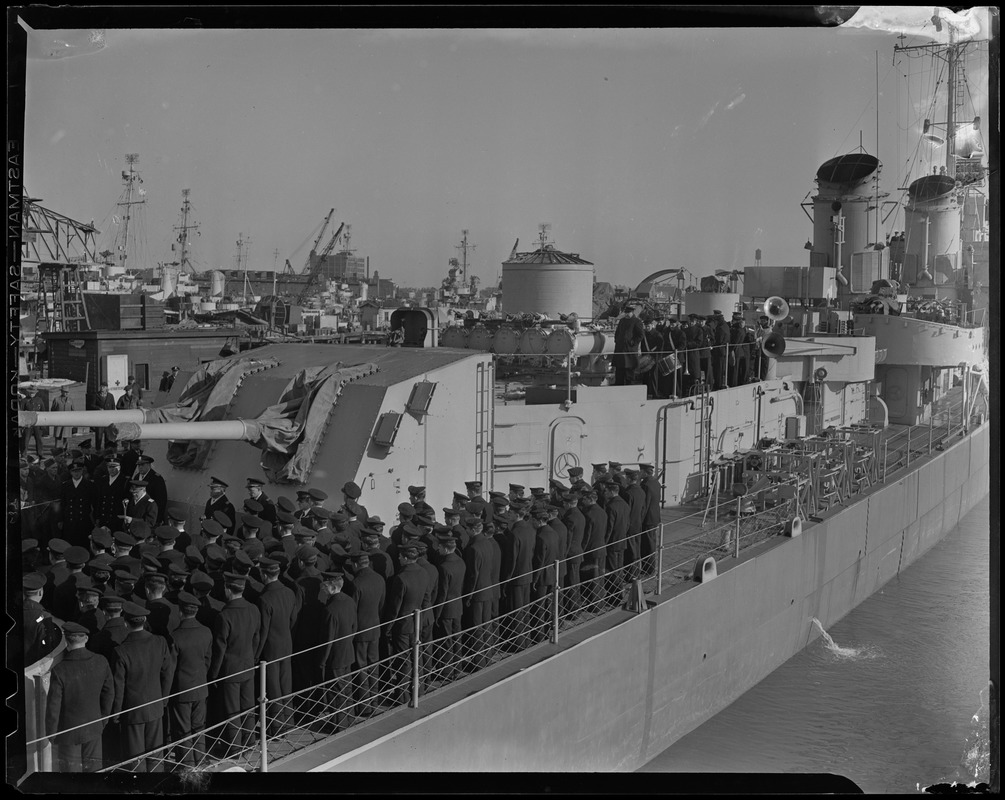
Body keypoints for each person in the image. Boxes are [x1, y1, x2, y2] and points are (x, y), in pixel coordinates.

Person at [110, 602, 175, 772]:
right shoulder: (160, 642)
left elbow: (119, 687)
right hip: (155, 706)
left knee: (135, 758)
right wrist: (163, 700)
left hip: (132, 711)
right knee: (156, 756)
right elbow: (167, 674)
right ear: (144, 620)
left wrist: (117, 713)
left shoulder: (121, 651)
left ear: (126, 624)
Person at [45, 620, 115, 772]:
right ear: (86, 639)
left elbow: (53, 706)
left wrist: (51, 734)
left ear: (66, 641)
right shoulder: (101, 661)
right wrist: (103, 719)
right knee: (94, 772)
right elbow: (109, 693)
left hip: (68, 734)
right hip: (94, 728)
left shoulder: (59, 670)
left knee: (72, 777)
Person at [208, 572, 261, 750]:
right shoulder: (253, 609)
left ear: (227, 589)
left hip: (230, 670)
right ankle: (249, 741)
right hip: (248, 665)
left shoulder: (224, 616)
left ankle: (235, 747)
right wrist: (253, 658)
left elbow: (220, 649)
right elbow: (256, 637)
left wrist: (214, 674)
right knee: (248, 706)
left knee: (232, 711)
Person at [168, 592, 212, 766]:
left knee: (183, 730)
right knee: (199, 726)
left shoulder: (175, 636)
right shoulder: (206, 632)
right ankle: (200, 760)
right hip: (201, 686)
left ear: (180, 612)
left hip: (182, 690)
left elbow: (171, 668)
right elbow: (207, 660)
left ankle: (187, 764)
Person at [613, 303, 646, 386]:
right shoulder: (622, 321)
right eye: (626, 313)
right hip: (620, 350)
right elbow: (617, 332)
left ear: (632, 312)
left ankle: (629, 388)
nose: (627, 314)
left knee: (629, 374)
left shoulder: (637, 322)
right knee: (619, 373)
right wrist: (617, 340)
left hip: (629, 351)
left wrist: (633, 342)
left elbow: (640, 335)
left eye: (628, 313)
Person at [90, 383, 117, 451]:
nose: (102, 388)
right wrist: (98, 408)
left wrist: (112, 417)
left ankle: (107, 449)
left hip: (108, 419)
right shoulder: (96, 395)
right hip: (100, 419)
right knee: (99, 435)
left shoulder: (110, 396)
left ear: (106, 388)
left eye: (104, 387)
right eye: (101, 387)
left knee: (108, 435)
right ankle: (98, 449)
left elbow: (113, 406)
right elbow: (92, 405)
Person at [21, 387, 47, 458]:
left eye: (33, 393)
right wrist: (23, 424)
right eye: (31, 392)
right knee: (25, 439)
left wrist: (43, 425)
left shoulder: (39, 400)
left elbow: (43, 411)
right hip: (28, 424)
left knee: (39, 439)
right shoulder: (24, 400)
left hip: (37, 423)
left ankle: (40, 454)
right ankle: (23, 455)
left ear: (36, 393)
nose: (32, 394)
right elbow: (21, 413)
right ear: (28, 392)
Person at [50, 387, 74, 451]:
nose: (66, 393)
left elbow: (73, 411)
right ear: (62, 392)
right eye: (65, 392)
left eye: (67, 392)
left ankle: (66, 450)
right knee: (58, 436)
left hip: (67, 422)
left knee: (66, 437)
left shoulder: (70, 400)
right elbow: (53, 410)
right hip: (58, 421)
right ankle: (57, 450)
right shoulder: (56, 399)